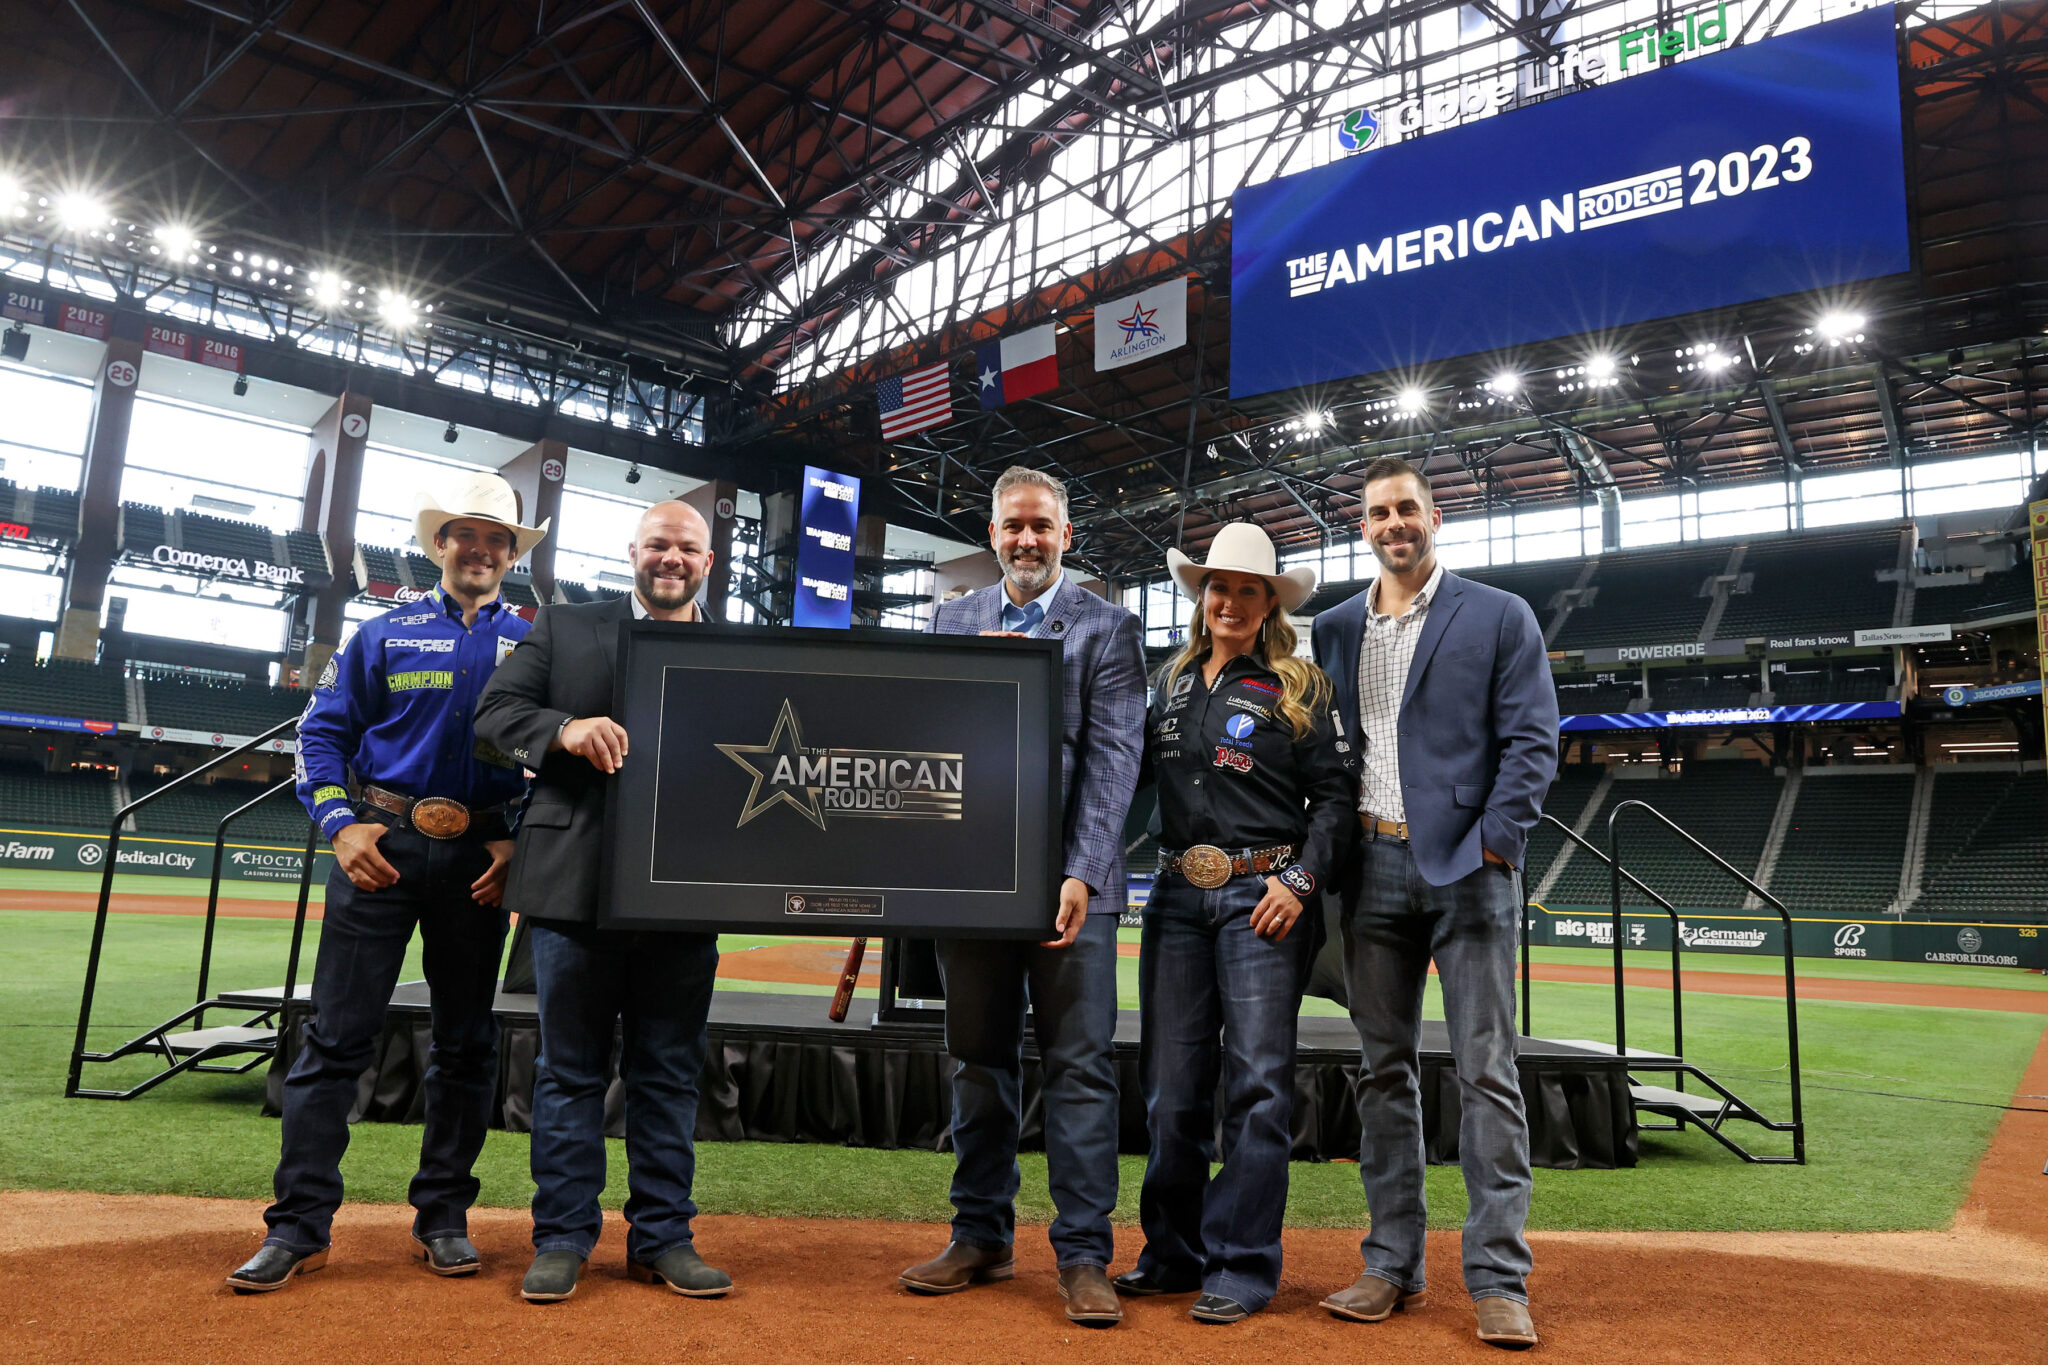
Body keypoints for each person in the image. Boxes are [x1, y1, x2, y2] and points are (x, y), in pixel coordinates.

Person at [227, 471, 546, 1293]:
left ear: (512, 554)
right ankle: (299, 1227)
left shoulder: (540, 643)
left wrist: (518, 840)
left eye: (495, 538)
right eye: (464, 535)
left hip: (480, 859)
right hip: (383, 846)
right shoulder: (382, 631)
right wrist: (342, 823)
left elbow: (557, 754)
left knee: (468, 1046)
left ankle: (442, 1216)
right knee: (335, 1039)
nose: (478, 549)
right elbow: (320, 733)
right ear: (440, 544)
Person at [1310, 456, 1558, 1350]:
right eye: (1377, 512)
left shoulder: (1498, 614)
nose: (1393, 524)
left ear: (1435, 516)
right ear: (1362, 525)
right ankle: (1391, 1265)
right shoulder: (1334, 628)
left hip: (1469, 870)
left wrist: (1492, 842)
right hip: (1368, 871)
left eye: (1406, 508)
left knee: (1487, 1071)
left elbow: (1533, 743)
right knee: (1385, 1073)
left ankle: (1498, 1278)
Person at [898, 466, 1146, 1327]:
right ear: (992, 534)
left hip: (1074, 887)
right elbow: (927, 750)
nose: (1027, 539)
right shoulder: (953, 618)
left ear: (1065, 534)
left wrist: (1079, 871)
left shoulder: (1109, 626)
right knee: (977, 1059)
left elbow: (1116, 760)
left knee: (1079, 1069)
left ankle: (1082, 1255)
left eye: (1042, 525)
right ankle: (980, 1234)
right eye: (1013, 526)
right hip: (972, 886)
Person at [473, 499, 729, 1306]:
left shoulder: (737, 649)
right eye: (658, 544)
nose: (671, 559)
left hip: (685, 893)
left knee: (667, 1075)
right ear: (633, 551)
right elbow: (490, 721)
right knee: (569, 1072)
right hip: (572, 884)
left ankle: (663, 1237)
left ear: (708, 561)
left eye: (687, 548)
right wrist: (564, 728)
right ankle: (561, 1239)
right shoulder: (566, 625)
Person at [1115, 523, 1354, 1324]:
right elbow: (1126, 779)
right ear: (1202, 595)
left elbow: (1335, 802)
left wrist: (1299, 878)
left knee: (1256, 1087)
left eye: (1247, 589)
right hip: (1178, 899)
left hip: (1264, 901)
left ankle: (1244, 1264)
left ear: (1269, 603)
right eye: (1218, 586)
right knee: (1171, 1089)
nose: (1230, 600)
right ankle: (1172, 1252)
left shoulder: (1300, 684)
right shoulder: (1171, 682)